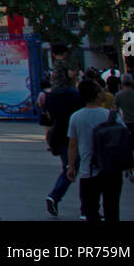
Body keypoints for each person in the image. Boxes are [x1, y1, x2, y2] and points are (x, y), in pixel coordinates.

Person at [66, 82, 122, 222]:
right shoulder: (111, 115)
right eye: (101, 90)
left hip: (88, 169)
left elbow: (72, 145)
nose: (103, 92)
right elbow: (123, 139)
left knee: (90, 209)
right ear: (97, 95)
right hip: (111, 168)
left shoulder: (76, 117)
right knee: (112, 208)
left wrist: (71, 166)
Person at [43, 68, 85, 217]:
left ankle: (55, 197)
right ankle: (85, 208)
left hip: (58, 135)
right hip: (76, 136)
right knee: (81, 171)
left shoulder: (51, 96)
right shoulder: (75, 95)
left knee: (69, 167)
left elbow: (48, 115)